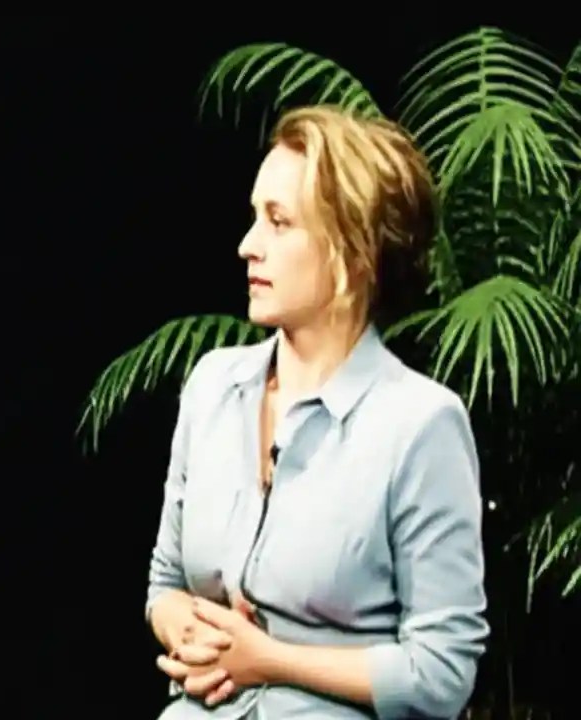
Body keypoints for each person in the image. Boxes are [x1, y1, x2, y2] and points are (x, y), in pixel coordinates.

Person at [142, 105, 489, 719]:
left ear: (352, 253)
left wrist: (269, 659)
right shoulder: (212, 388)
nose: (248, 246)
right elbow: (165, 583)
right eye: (254, 219)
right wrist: (181, 627)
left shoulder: (420, 424)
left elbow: (441, 673)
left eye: (279, 223)